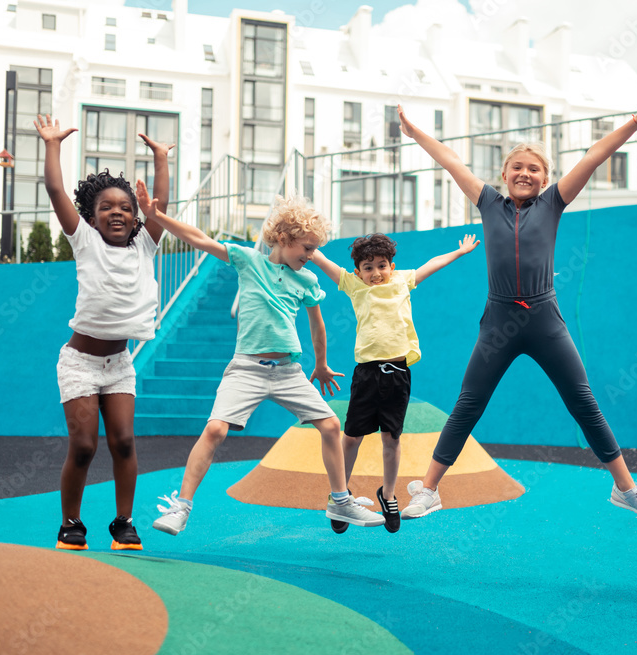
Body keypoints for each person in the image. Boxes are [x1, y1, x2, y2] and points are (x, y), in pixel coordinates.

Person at [396, 90, 637, 522]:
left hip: (544, 319)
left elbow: (594, 156)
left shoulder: (554, 202)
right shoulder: (488, 202)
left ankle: (626, 489)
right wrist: (414, 133)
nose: (525, 173)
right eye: (518, 167)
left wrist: (636, 123)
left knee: (584, 402)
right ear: (504, 173)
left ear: (546, 178)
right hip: (499, 319)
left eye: (534, 168)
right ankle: (428, 489)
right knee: (469, 403)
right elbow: (450, 160)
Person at [135, 182, 385, 534]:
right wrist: (156, 215)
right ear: (283, 238)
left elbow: (318, 325)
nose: (311, 254)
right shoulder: (248, 260)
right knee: (215, 429)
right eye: (308, 247)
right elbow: (200, 239)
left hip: (288, 371)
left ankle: (340, 502)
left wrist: (321, 364)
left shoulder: (308, 279)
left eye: (315, 249)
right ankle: (181, 507)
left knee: (330, 426)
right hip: (247, 369)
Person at [35, 114, 173, 551]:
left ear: (136, 218)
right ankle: (71, 524)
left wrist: (161, 159)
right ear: (92, 218)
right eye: (107, 208)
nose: (118, 212)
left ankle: (123, 523)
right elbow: (57, 192)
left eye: (126, 208)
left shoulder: (146, 245)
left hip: (118, 364)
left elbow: (161, 206)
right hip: (79, 362)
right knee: (83, 445)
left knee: (125, 441)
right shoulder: (85, 241)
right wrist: (52, 145)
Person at [311, 232, 480, 533]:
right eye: (368, 267)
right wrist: (302, 243)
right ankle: (341, 495)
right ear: (357, 271)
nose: (375, 273)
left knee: (392, 438)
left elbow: (431, 264)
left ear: (392, 266)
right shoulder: (353, 285)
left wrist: (460, 252)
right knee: (352, 437)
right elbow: (321, 259)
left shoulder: (403, 280)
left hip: (398, 373)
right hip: (366, 373)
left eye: (381, 265)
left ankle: (388, 494)